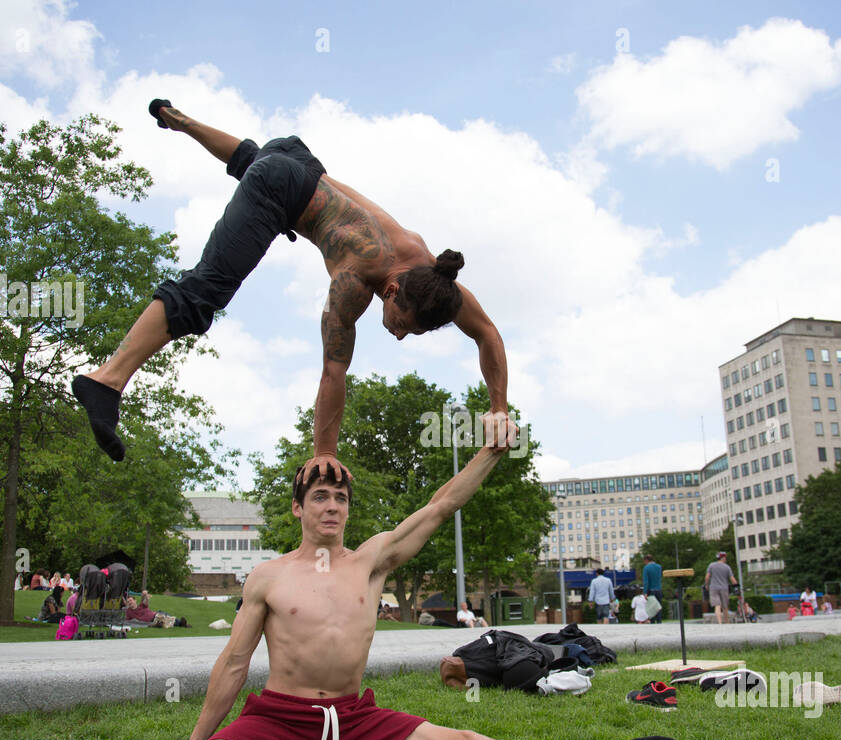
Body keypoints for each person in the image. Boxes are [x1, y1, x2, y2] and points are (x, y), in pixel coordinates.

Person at [0, 420, 682, 740]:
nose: (332, 505)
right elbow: (233, 663)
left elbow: (440, 507)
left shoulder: (373, 560)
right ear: (297, 508)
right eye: (319, 496)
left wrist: (490, 453)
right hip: (277, 721)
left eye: (341, 497)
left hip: (356, 718)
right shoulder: (266, 577)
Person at [71, 100, 516, 482]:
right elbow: (333, 373)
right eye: (403, 324)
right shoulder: (355, 282)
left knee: (249, 158)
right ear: (394, 289)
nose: (399, 335)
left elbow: (487, 332)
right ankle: (106, 380)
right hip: (280, 188)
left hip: (300, 162)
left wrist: (499, 407)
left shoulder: (434, 276)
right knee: (207, 290)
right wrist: (325, 452)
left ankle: (178, 119)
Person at [704, 551, 737, 625]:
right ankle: (727, 622)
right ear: (723, 557)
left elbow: (707, 577)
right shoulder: (727, 567)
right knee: (725, 606)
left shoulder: (711, 565)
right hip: (724, 588)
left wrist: (706, 585)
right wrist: (736, 587)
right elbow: (732, 579)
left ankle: (719, 622)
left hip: (714, 588)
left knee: (717, 605)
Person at [641, 555, 664, 623]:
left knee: (651, 609)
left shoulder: (646, 568)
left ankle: (653, 622)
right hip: (659, 589)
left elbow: (646, 581)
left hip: (651, 591)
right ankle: (659, 621)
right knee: (658, 607)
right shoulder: (659, 567)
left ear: (646, 560)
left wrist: (645, 592)